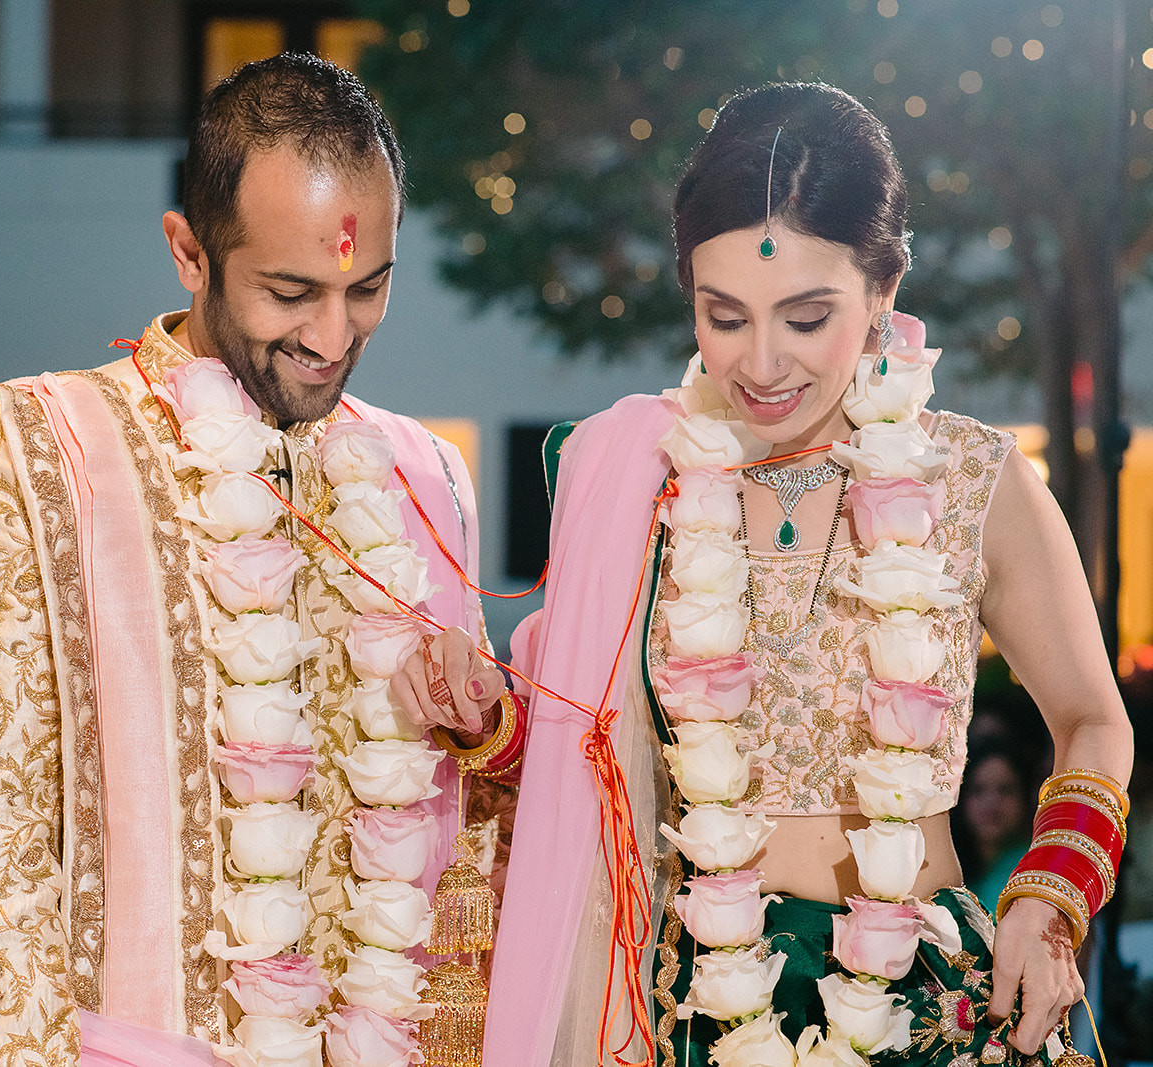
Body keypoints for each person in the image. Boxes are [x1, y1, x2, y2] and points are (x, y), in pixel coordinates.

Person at [485, 82, 1133, 1067]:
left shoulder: (968, 475)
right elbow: (575, 767)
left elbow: (1092, 714)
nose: (762, 360)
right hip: (696, 1009)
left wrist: (1049, 895)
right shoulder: (635, 481)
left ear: (882, 286)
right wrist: (477, 715)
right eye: (724, 314)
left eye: (805, 315)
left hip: (931, 1012)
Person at [0, 53, 517, 1067]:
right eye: (290, 289)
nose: (333, 333)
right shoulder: (36, 455)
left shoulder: (424, 476)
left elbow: (461, 863)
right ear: (188, 252)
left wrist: (487, 736)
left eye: (369, 287)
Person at [952, 740, 1038, 915]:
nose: (991, 803)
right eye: (978, 790)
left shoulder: (1037, 868)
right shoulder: (945, 864)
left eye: (1005, 790)